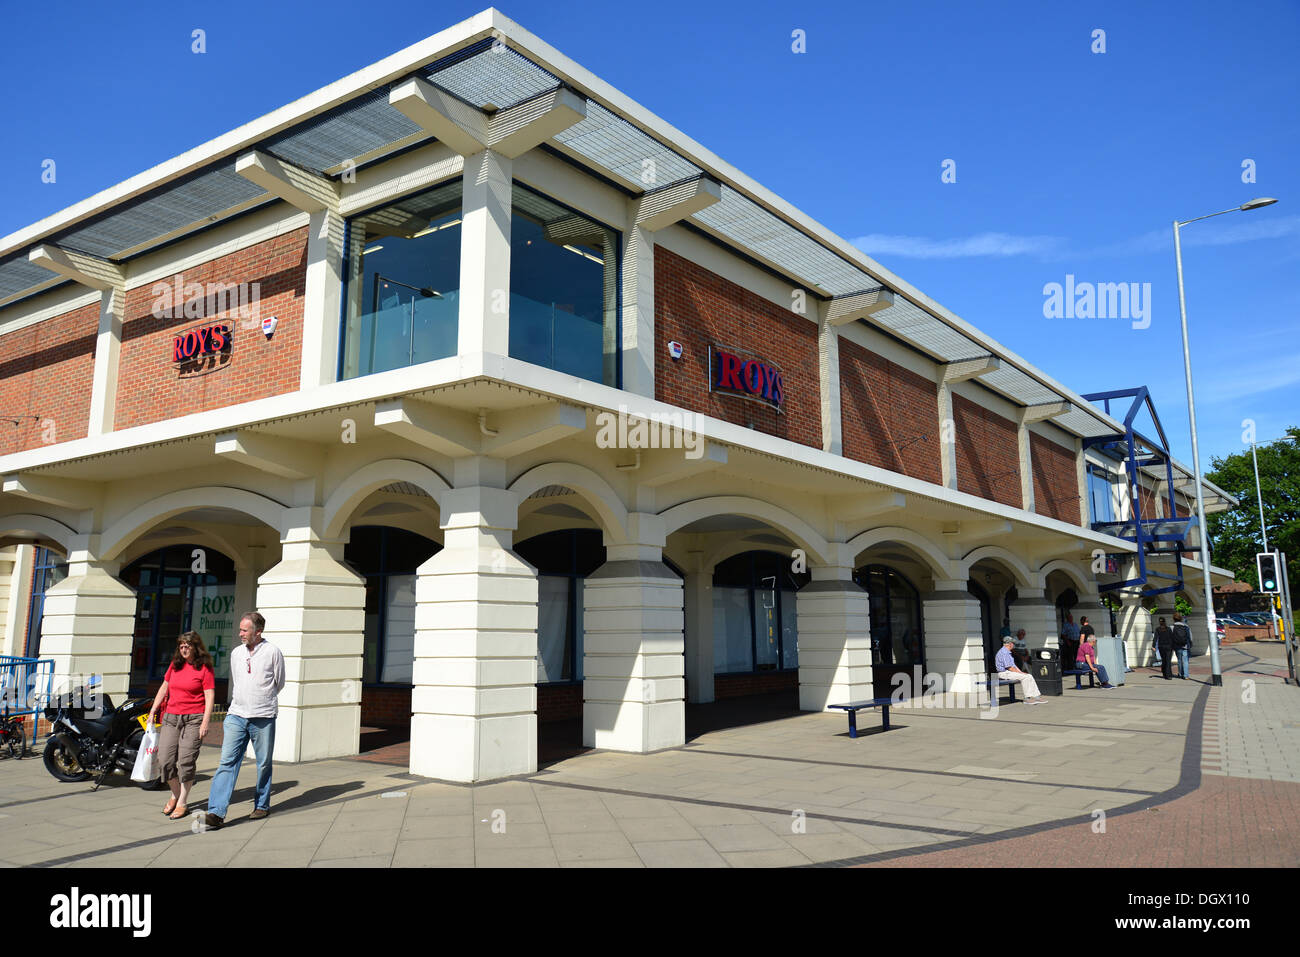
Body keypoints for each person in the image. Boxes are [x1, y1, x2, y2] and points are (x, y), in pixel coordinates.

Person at [203, 613, 285, 829]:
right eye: (240, 629)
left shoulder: (273, 652)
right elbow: (238, 680)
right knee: (227, 763)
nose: (240, 634)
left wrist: (261, 699)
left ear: (258, 631)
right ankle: (216, 812)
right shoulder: (237, 653)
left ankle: (261, 805)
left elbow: (279, 682)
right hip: (236, 716)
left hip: (263, 717)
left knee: (264, 763)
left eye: (244, 630)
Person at [147, 631, 215, 820]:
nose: (184, 649)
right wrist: (153, 710)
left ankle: (182, 801)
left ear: (195, 647)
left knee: (186, 761)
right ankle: (175, 793)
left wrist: (206, 721)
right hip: (171, 717)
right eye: (181, 646)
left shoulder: (204, 668)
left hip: (194, 719)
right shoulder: (175, 665)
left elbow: (209, 695)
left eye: (188, 646)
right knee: (165, 759)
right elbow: (164, 686)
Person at [995, 636, 1047, 705]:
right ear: (1009, 644)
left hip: (1009, 672)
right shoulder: (1004, 652)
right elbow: (1010, 668)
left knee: (1029, 676)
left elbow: (1014, 666)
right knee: (1025, 677)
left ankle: (1036, 696)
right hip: (1004, 673)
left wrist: (1021, 672)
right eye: (1013, 643)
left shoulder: (1007, 652)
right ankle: (1027, 698)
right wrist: (1022, 674)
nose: (1014, 645)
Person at [1171, 613, 1192, 680]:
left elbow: (1170, 637)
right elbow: (1190, 637)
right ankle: (1186, 676)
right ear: (1181, 619)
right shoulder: (1186, 626)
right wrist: (1190, 644)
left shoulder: (1172, 627)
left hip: (1177, 646)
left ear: (1174, 619)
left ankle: (1180, 674)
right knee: (1185, 661)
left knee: (1179, 660)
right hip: (1185, 646)